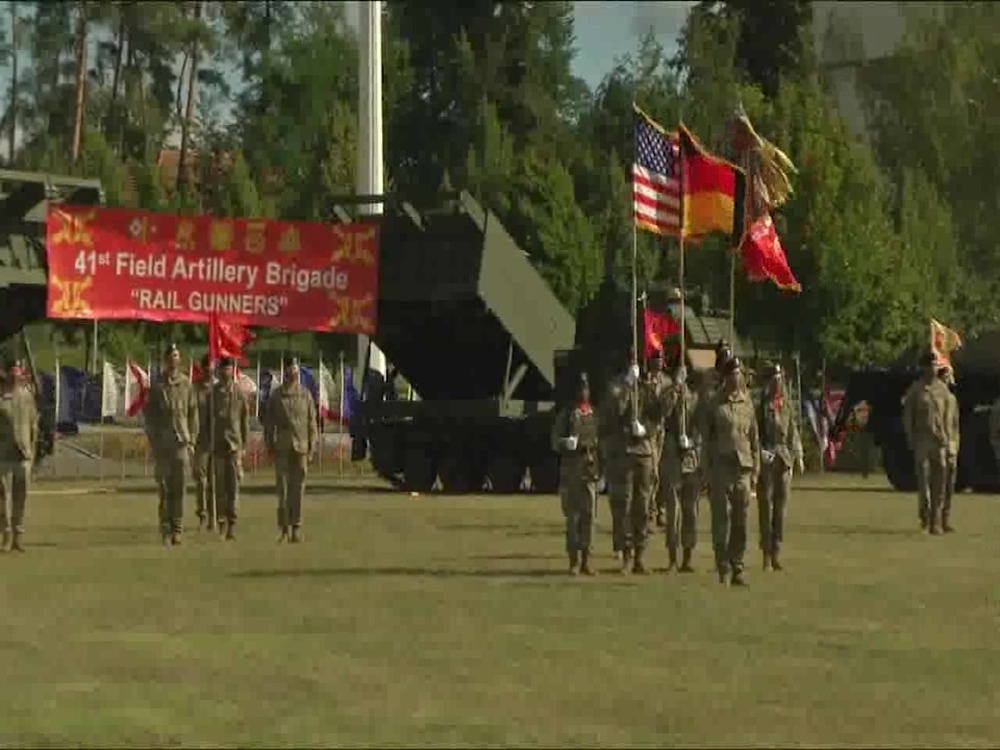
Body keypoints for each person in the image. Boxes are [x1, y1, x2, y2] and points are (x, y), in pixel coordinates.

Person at [703, 356, 760, 586]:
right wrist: (706, 473)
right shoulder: (715, 404)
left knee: (741, 521)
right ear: (725, 377)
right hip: (721, 469)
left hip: (743, 470)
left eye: (739, 373)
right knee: (721, 521)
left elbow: (755, 440)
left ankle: (738, 567)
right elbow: (706, 442)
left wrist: (756, 471)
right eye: (732, 374)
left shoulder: (748, 404)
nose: (736, 377)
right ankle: (723, 567)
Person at [143, 342, 199, 545]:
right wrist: (154, 440)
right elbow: (149, 417)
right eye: (170, 356)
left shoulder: (186, 384)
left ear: (180, 359)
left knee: (180, 489)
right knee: (165, 489)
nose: (174, 359)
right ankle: (165, 529)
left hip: (181, 443)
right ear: (165, 360)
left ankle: (177, 528)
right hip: (163, 445)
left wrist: (192, 439)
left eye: (176, 355)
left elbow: (193, 414)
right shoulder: (157, 386)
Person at [263, 357, 318, 543]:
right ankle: (284, 529)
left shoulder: (305, 395)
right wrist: (269, 446)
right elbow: (269, 425)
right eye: (290, 370)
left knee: (298, 491)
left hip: (301, 448)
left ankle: (297, 528)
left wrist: (312, 448)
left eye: (295, 370)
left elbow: (312, 423)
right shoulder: (277, 396)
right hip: (283, 448)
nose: (293, 374)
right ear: (285, 372)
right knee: (284, 491)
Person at [551, 372, 600, 576]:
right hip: (572, 470)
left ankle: (587, 560)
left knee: (589, 517)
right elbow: (554, 441)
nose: (583, 392)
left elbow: (602, 442)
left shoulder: (594, 415)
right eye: (580, 388)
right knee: (573, 518)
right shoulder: (567, 414)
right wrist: (565, 443)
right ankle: (574, 561)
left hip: (590, 470)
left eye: (586, 388)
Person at [756, 364, 804, 571]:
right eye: (774, 378)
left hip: (784, 458)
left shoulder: (785, 404)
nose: (778, 381)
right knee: (765, 507)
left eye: (780, 377)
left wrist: (799, 456)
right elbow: (753, 432)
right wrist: (758, 453)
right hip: (767, 458)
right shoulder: (761, 403)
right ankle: (766, 554)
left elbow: (793, 430)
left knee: (781, 509)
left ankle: (776, 551)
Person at [619, 357, 663, 574]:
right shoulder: (627, 387)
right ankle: (627, 555)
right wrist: (628, 384)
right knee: (626, 504)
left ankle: (640, 555)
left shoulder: (649, 391)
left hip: (645, 451)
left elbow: (658, 415)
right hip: (627, 451)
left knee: (643, 506)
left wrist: (644, 429)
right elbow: (617, 411)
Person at [902, 350, 954, 534]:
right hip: (922, 439)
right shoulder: (916, 389)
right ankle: (925, 518)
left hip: (940, 441)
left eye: (935, 366)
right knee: (924, 481)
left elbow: (949, 416)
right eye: (929, 366)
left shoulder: (943, 389)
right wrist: (910, 438)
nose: (933, 369)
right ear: (923, 368)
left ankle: (937, 520)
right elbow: (908, 416)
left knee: (940, 482)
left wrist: (949, 441)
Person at [658, 362, 702, 572]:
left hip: (690, 458)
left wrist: (692, 440)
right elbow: (662, 413)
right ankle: (672, 558)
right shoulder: (669, 394)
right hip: (672, 457)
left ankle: (688, 558)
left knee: (690, 511)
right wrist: (674, 389)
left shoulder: (694, 398)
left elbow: (700, 425)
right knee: (672, 511)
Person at [0, 358, 38, 552]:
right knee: (2, 499)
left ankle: (18, 536)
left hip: (23, 454)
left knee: (21, 498)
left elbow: (33, 425)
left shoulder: (27, 396)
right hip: (3, 455)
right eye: (12, 373)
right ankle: (6, 534)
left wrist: (33, 451)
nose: (15, 377)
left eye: (18, 373)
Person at [598, 355, 633, 561]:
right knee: (620, 502)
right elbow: (617, 412)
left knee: (638, 503)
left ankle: (634, 546)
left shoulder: (645, 385)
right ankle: (621, 545)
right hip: (617, 451)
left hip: (640, 451)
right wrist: (628, 387)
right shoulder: (615, 387)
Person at [212, 357, 250, 541]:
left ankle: (232, 525)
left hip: (234, 448)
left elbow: (245, 422)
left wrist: (243, 447)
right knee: (220, 489)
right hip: (218, 447)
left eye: (228, 369)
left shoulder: (239, 394)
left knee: (233, 489)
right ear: (219, 371)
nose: (225, 372)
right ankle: (221, 524)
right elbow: (206, 419)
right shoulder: (214, 394)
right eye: (222, 369)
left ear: (232, 371)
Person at [645, 351, 670, 528]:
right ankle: (651, 512)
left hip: (666, 432)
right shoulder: (644, 382)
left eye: (661, 359)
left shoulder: (668, 383)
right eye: (656, 359)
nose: (659, 362)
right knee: (652, 473)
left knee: (665, 474)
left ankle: (661, 509)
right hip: (650, 432)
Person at [193, 354, 215, 531]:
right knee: (201, 480)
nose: (209, 370)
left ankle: (214, 517)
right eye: (206, 366)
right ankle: (202, 514)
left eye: (212, 366)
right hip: (199, 441)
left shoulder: (219, 389)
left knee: (214, 482)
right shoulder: (195, 390)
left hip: (216, 441)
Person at [938, 363, 960, 533]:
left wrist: (955, 444)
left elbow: (955, 425)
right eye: (945, 377)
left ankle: (945, 518)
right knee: (937, 483)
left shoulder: (952, 399)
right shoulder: (933, 397)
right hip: (937, 445)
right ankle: (934, 519)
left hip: (951, 446)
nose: (948, 380)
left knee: (949, 485)